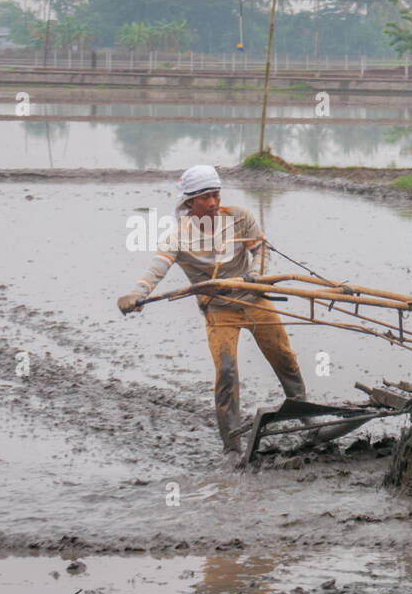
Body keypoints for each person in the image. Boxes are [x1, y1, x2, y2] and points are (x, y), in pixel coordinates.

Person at [117, 165, 306, 458]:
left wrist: (254, 274)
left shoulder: (241, 218)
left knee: (284, 358)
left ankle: (307, 416)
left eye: (216, 194)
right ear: (189, 201)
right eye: (206, 197)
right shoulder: (177, 238)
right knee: (227, 371)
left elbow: (261, 250)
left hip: (254, 300)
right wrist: (137, 295)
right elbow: (157, 270)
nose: (214, 202)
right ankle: (232, 445)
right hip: (219, 311)